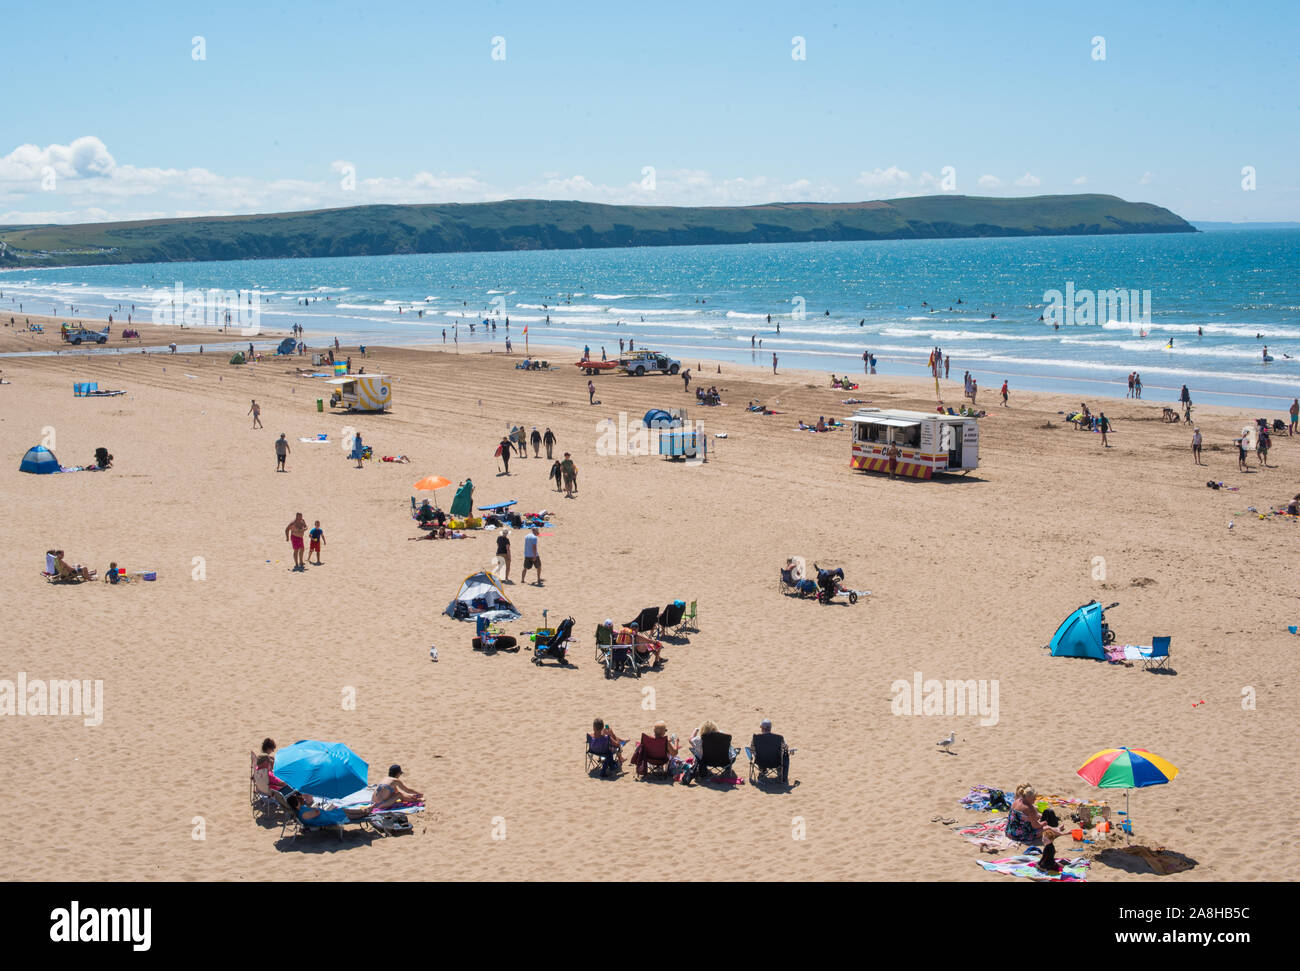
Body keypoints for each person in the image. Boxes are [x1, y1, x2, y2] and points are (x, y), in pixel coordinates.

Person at [751, 718, 791, 785]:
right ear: (770, 728)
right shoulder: (779, 738)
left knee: (757, 754)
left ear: (763, 729)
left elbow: (752, 750)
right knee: (782, 755)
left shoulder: (756, 738)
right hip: (776, 762)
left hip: (761, 762)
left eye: (761, 728)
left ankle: (762, 771)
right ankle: (780, 774)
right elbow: (785, 747)